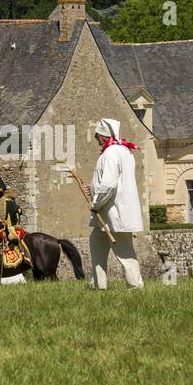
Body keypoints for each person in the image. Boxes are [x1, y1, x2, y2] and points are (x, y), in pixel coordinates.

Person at [83, 118, 144, 290]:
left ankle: (135, 285)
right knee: (96, 243)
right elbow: (109, 182)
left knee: (123, 251)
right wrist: (93, 189)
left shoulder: (111, 153)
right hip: (108, 212)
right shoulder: (123, 151)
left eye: (97, 137)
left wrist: (95, 203)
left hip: (115, 212)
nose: (96, 140)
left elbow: (109, 184)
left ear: (103, 136)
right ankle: (98, 285)